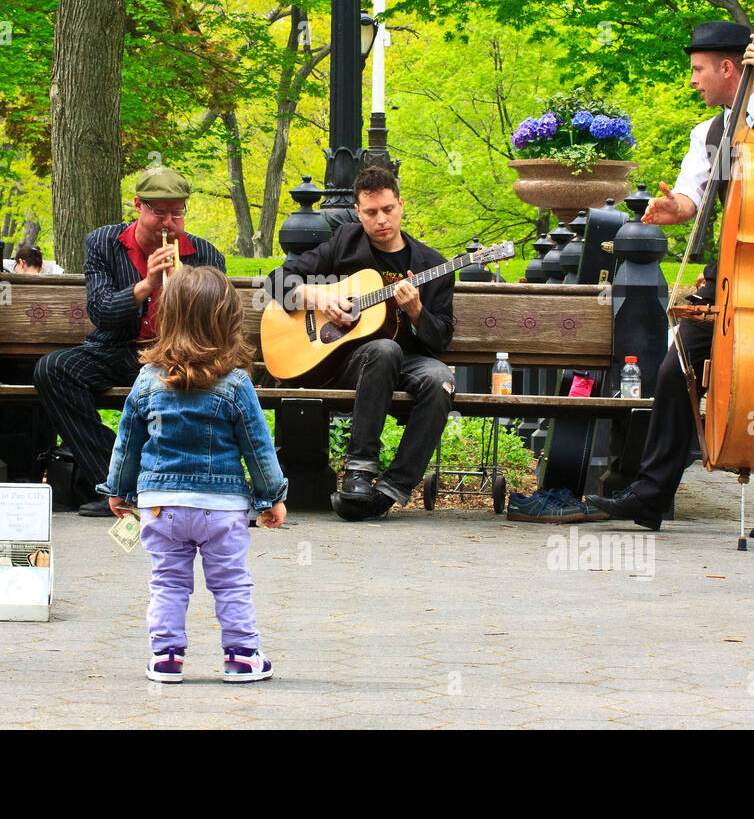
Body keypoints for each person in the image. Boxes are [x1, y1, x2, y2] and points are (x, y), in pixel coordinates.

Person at [587, 20, 754, 539]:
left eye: (700, 70)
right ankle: (651, 495)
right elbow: (691, 200)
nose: (694, 80)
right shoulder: (706, 133)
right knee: (673, 369)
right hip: (727, 270)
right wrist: (668, 208)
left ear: (729, 68)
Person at [101, 265, 287, 684]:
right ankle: (242, 657)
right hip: (220, 509)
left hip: (160, 507)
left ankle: (166, 657)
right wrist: (270, 497)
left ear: (168, 318)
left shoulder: (148, 381)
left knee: (167, 581)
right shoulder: (236, 384)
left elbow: (128, 441)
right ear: (228, 322)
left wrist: (119, 490)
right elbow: (257, 448)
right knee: (231, 583)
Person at [264, 166, 455, 521]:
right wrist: (317, 298)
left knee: (440, 380)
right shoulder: (344, 243)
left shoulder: (434, 265)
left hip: (407, 361)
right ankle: (359, 472)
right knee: (383, 350)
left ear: (400, 204)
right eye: (370, 212)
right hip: (342, 364)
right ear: (357, 210)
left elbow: (440, 338)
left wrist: (416, 312)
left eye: (388, 209)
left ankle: (390, 489)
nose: (381, 219)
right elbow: (276, 280)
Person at [34, 166, 225, 516]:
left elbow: (213, 325)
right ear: (137, 205)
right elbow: (102, 311)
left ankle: (181, 488)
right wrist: (148, 283)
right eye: (159, 212)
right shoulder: (104, 243)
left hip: (176, 356)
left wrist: (182, 287)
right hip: (118, 350)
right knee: (53, 370)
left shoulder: (206, 256)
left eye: (177, 212)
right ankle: (118, 485)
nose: (168, 222)